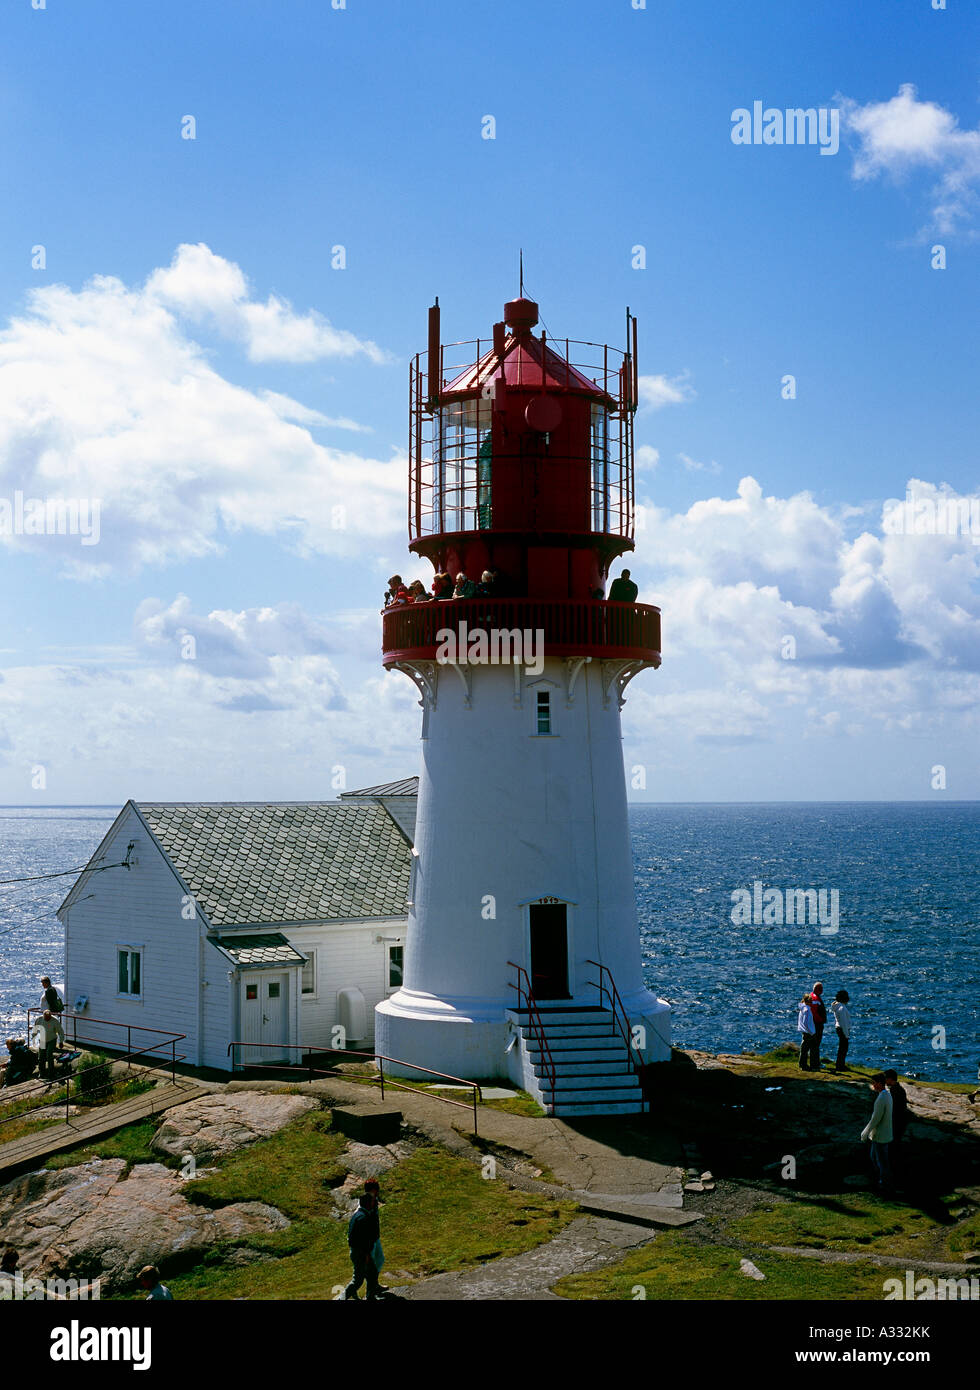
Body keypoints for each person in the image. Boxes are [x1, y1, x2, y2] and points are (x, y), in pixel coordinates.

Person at [344, 1192, 381, 1300]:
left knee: (372, 1274)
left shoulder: (358, 1215)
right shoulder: (363, 1218)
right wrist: (367, 1254)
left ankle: (370, 1296)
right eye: (373, 1201)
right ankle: (342, 1297)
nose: (375, 1203)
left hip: (358, 1252)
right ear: (368, 1204)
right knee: (358, 1280)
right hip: (361, 1253)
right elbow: (363, 1240)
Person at [861, 1073, 894, 1193]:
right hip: (885, 1134)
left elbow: (875, 1119)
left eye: (874, 1083)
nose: (873, 1085)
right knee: (876, 1157)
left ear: (880, 1083)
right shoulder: (888, 1095)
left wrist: (865, 1132)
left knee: (881, 1161)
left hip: (880, 1135)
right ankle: (880, 1180)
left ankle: (884, 1183)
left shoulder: (881, 1099)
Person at [884, 1070, 909, 1164]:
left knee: (892, 1147)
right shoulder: (899, 1089)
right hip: (899, 1122)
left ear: (890, 1079)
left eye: (885, 1078)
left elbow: (894, 1109)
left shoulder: (894, 1091)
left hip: (896, 1123)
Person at [32, 1010, 65, 1080]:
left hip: (51, 1040)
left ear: (50, 1016)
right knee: (41, 1057)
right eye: (46, 1017)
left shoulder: (55, 1021)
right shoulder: (39, 1020)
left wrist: (61, 1041)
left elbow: (60, 1031)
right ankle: (42, 1073)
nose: (47, 1019)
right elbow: (35, 1029)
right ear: (43, 1016)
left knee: (49, 1055)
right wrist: (33, 1038)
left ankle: (51, 1073)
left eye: (48, 1017)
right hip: (42, 1039)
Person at [806, 981, 827, 1071]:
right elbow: (814, 1012)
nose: (822, 991)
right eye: (821, 989)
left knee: (814, 1044)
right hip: (816, 1024)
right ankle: (815, 1063)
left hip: (814, 1024)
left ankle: (815, 1062)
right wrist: (820, 1020)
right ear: (817, 989)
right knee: (815, 1044)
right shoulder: (815, 999)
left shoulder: (812, 996)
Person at [831, 989, 851, 1072]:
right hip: (842, 1029)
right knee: (843, 1048)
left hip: (839, 1028)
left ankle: (840, 1065)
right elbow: (844, 1023)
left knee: (842, 1048)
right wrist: (846, 1034)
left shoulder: (838, 1007)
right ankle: (840, 1066)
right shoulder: (842, 1008)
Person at [797, 994, 816, 1071]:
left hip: (805, 1032)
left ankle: (802, 1063)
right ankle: (804, 1065)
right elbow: (806, 1023)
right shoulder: (807, 1010)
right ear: (808, 1002)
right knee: (806, 1049)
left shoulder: (803, 1008)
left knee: (804, 1049)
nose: (812, 1003)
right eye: (811, 1001)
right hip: (808, 1032)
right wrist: (810, 1031)